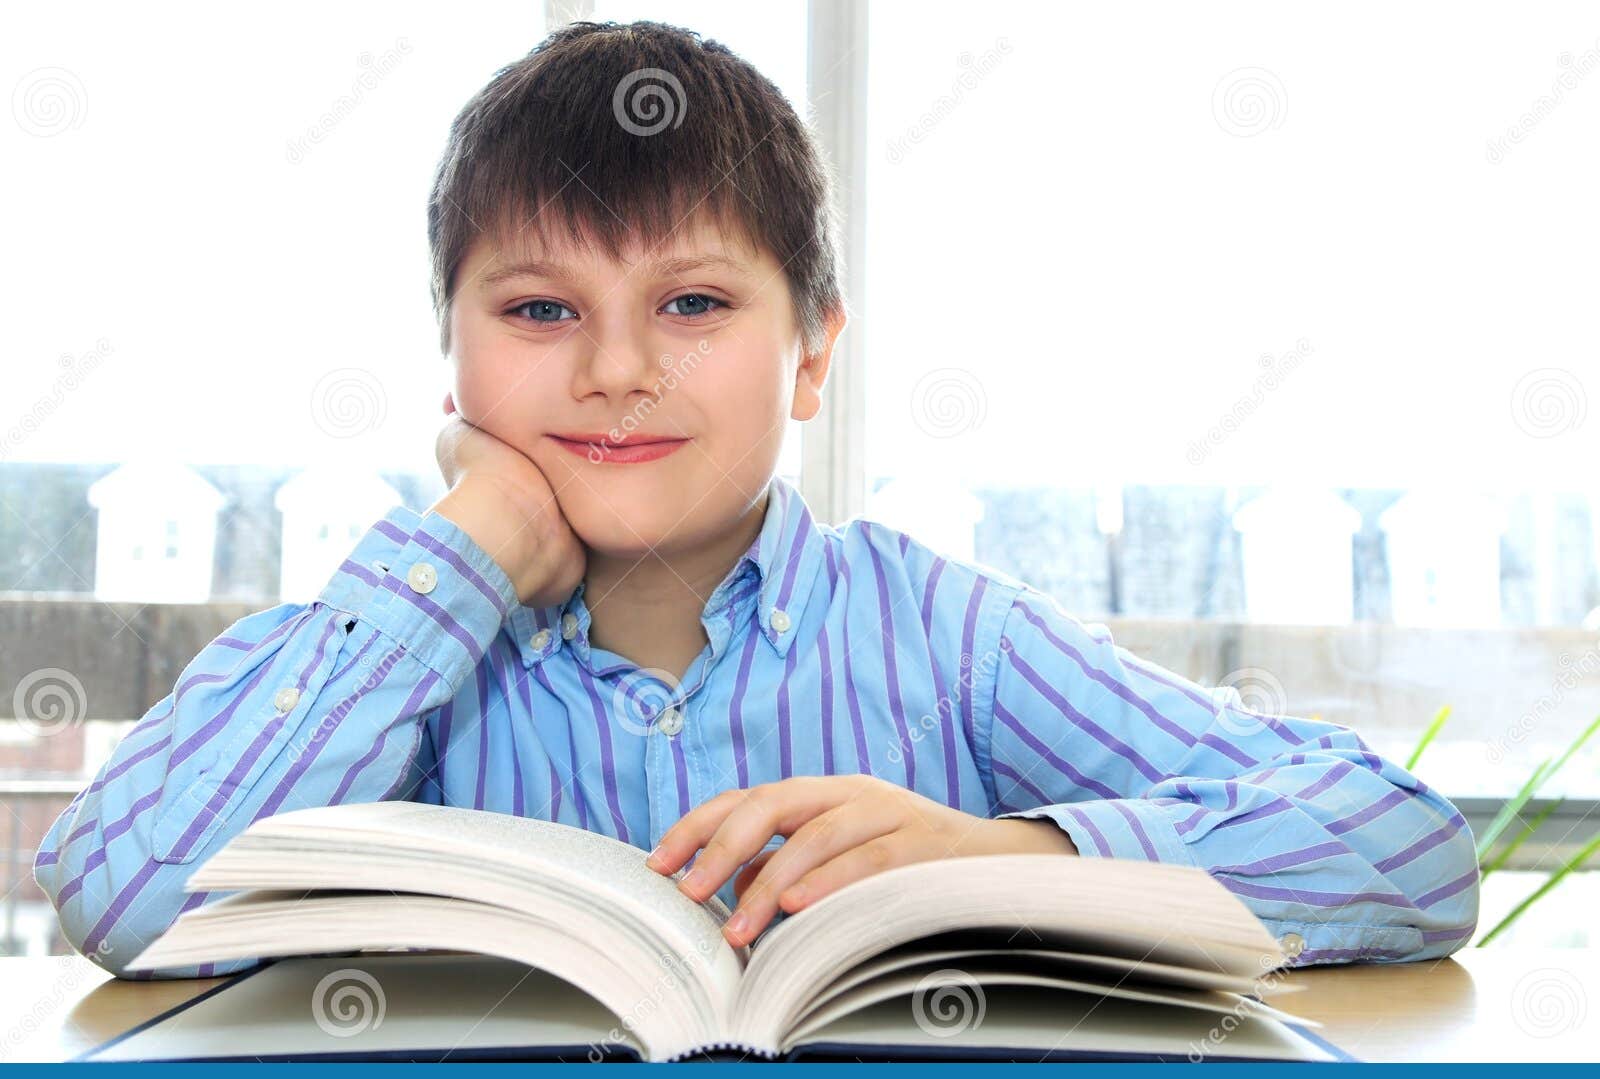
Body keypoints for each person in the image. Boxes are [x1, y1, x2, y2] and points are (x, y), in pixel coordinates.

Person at [35, 21, 1477, 979]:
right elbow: (126, 898)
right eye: (538, 310)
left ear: (811, 356)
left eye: (695, 303)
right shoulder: (369, 656)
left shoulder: (945, 637)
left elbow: (1407, 845)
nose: (613, 369)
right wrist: (473, 545)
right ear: (449, 352)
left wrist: (1011, 855)